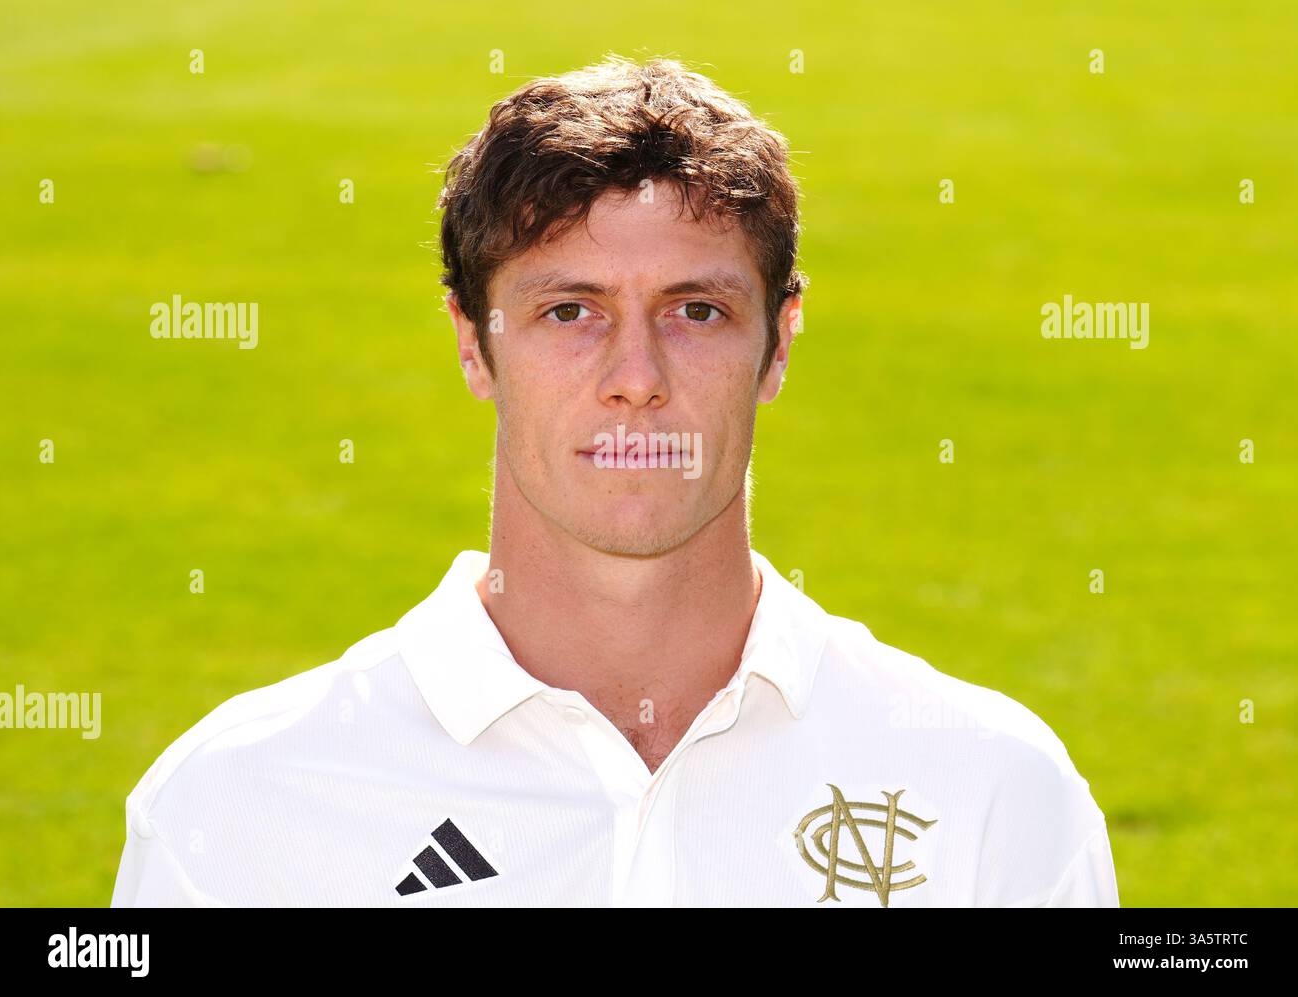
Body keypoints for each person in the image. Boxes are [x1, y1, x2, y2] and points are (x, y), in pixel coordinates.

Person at [111, 55, 1119, 907]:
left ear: (778, 344)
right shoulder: (238, 809)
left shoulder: (993, 792)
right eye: (568, 312)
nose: (635, 379)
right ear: (473, 343)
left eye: (696, 312)